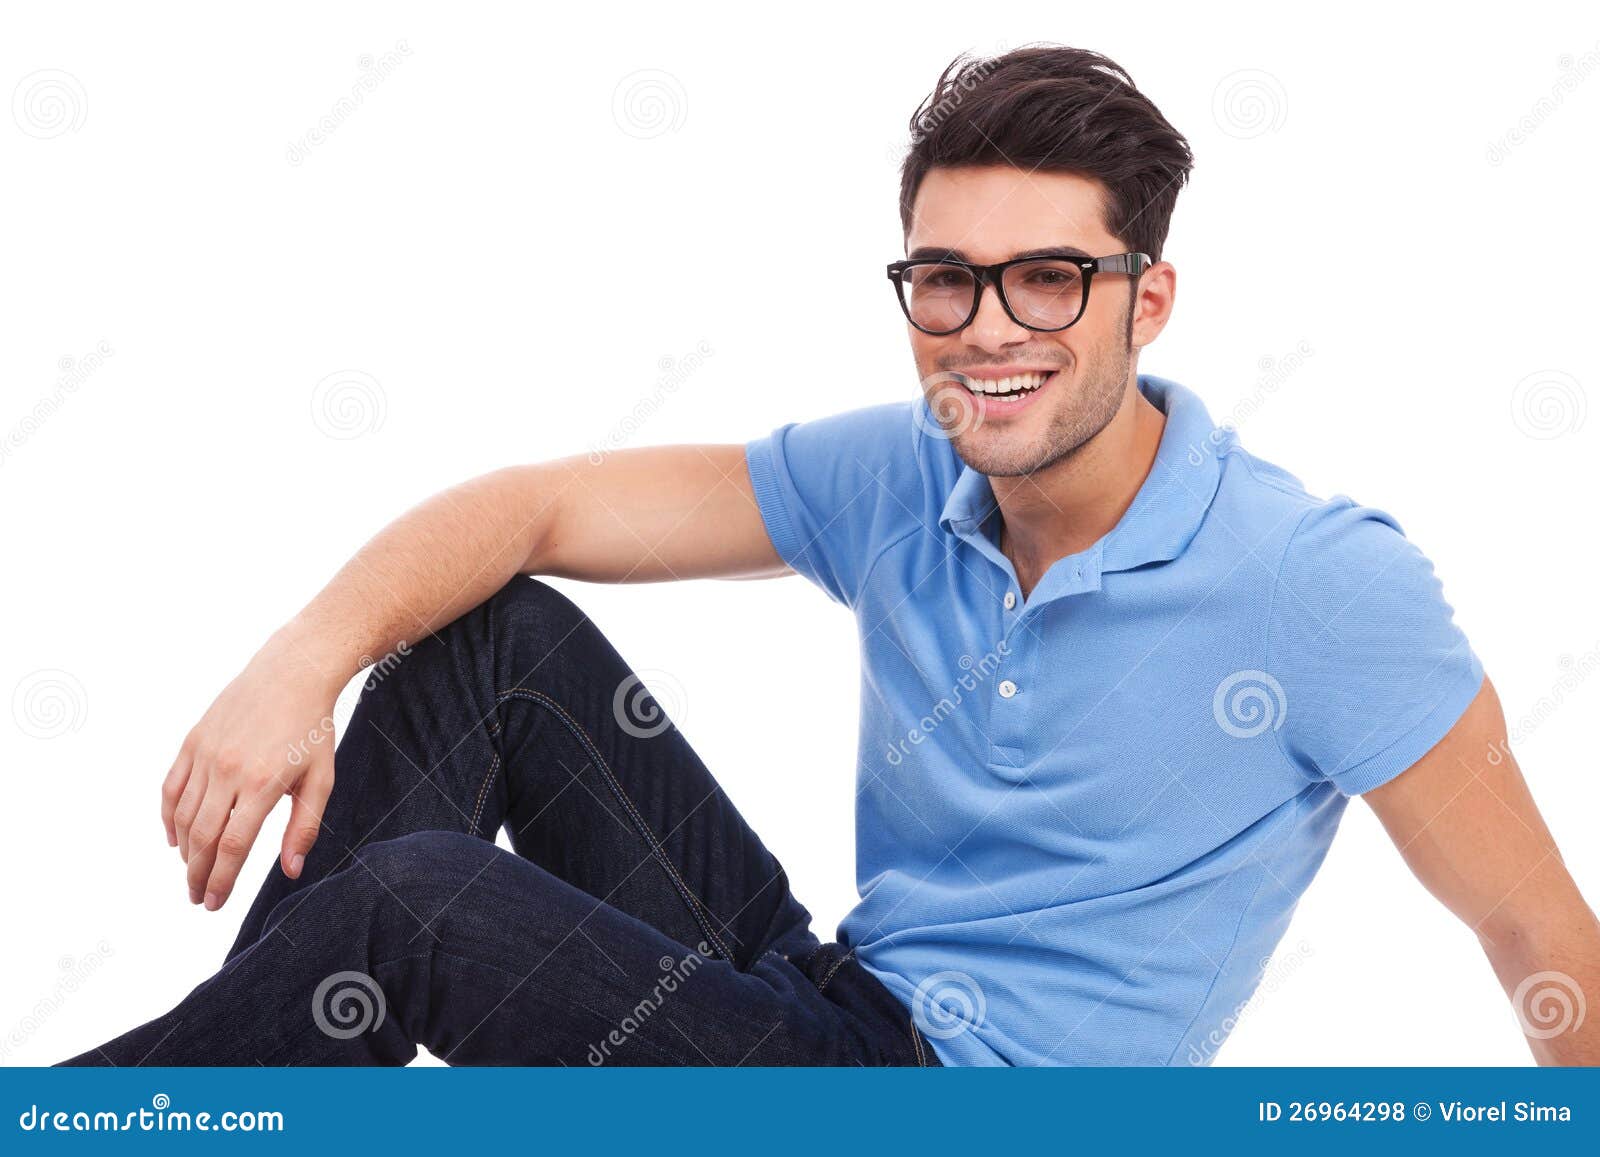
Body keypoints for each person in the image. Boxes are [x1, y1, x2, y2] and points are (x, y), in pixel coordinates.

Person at [65, 44, 1599, 1067]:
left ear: (1152, 298)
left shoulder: (1316, 584)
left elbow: (1541, 934)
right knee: (491, 641)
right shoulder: (911, 462)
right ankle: (184, 1110)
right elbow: (533, 508)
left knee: (417, 907)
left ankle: (113, 1120)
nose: (990, 328)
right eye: (948, 278)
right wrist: (299, 662)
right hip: (830, 1011)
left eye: (1050, 279)